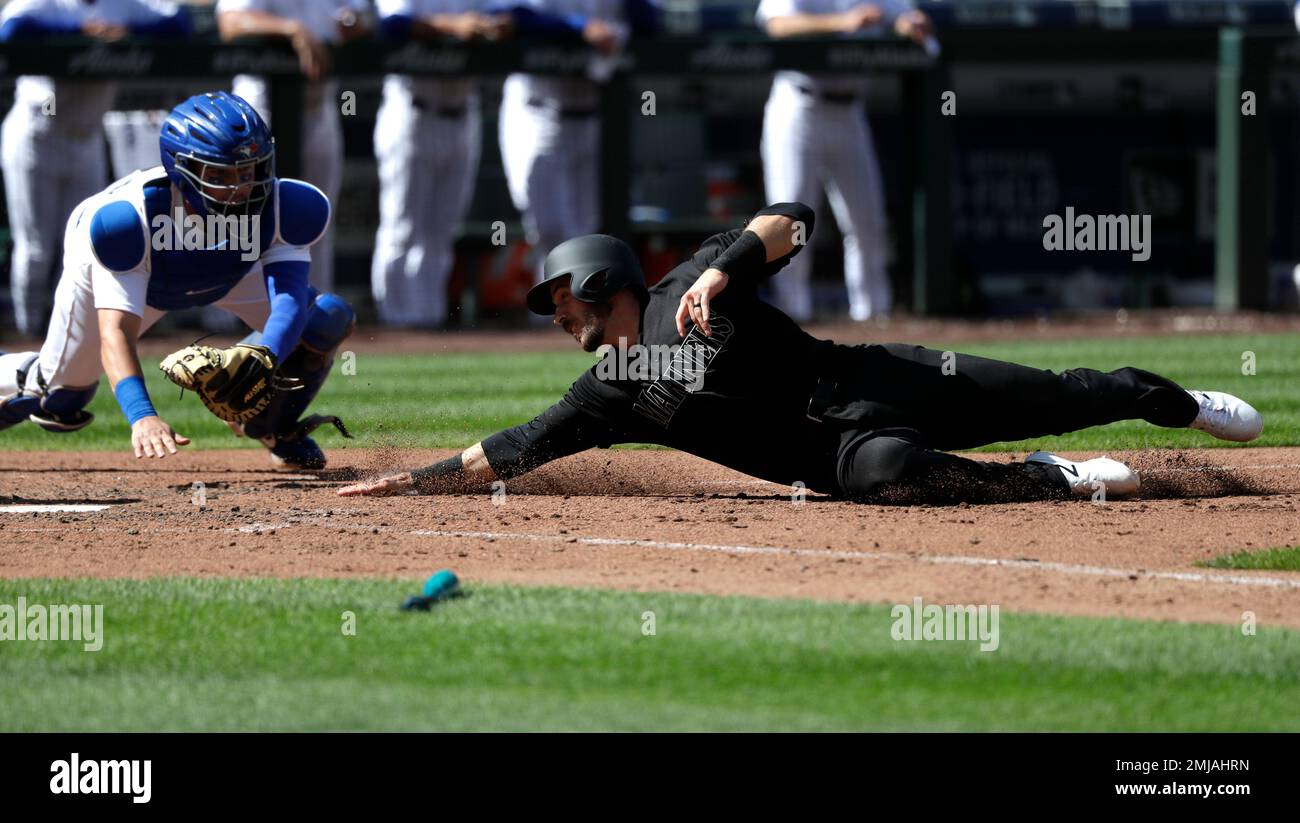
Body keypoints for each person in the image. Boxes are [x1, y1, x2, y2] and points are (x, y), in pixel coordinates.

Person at [339, 204, 1263, 502]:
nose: (553, 317)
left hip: (874, 376)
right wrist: (411, 480)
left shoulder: (687, 288)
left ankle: (1181, 404)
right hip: (840, 453)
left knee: (1075, 387)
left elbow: (793, 219)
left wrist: (721, 273)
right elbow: (514, 445)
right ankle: (1050, 479)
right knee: (896, 470)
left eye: (558, 301)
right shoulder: (610, 390)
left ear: (601, 287)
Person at [0, 92, 355, 469]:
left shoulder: (288, 206)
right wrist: (143, 416)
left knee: (324, 319)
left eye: (247, 172)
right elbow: (115, 333)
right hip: (147, 273)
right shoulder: (124, 223)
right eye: (219, 175)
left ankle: (272, 427)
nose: (239, 189)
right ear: (180, 171)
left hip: (233, 269)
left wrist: (264, 355)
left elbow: (289, 302)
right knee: (61, 399)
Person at [0, 0, 192, 336]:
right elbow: (9, 30)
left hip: (87, 138)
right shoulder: (46, 4)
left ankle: (69, 330)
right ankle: (26, 331)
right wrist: (77, 32)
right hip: (38, 131)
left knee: (81, 242)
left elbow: (180, 23)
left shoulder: (121, 5)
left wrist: (128, 32)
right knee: (36, 247)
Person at [758, 0, 932, 321]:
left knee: (867, 220)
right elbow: (777, 24)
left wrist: (908, 23)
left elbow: (902, 15)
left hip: (851, 111)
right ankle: (790, 315)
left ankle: (872, 316)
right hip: (798, 104)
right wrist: (842, 22)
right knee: (789, 220)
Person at [371, 0, 511, 328]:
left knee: (441, 230)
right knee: (403, 227)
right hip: (414, 109)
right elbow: (392, 23)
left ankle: (428, 320)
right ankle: (395, 323)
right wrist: (451, 26)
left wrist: (494, 25)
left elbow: (510, 12)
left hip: (462, 111)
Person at [215, 0, 372, 294]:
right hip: (260, 105)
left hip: (318, 103)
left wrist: (352, 22)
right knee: (244, 219)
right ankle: (230, 320)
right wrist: (291, 29)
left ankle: (313, 318)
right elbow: (231, 22)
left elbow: (363, 18)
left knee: (318, 217)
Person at [497, 0, 658, 269]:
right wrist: (578, 29)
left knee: (586, 235)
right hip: (539, 111)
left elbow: (651, 20)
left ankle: (576, 310)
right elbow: (513, 15)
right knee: (549, 230)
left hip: (591, 115)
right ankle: (550, 309)